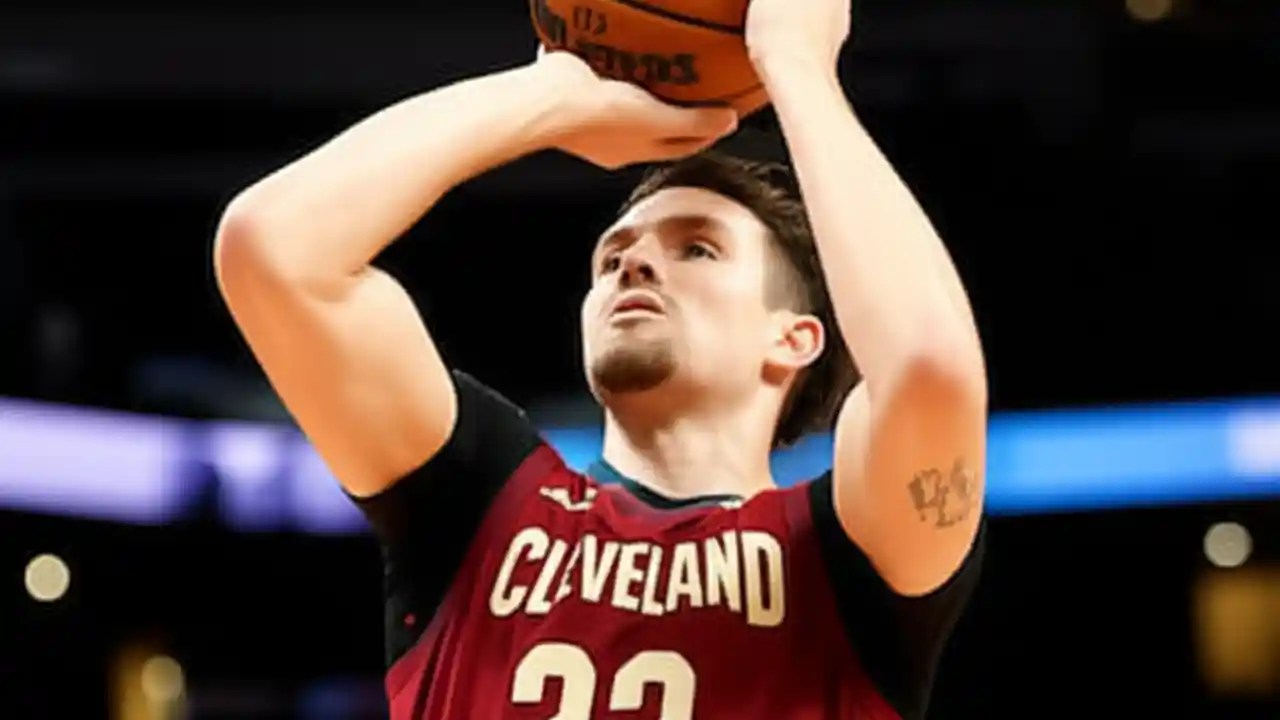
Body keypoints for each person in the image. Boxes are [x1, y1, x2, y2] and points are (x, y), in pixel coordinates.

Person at [212, 0, 988, 716]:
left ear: (793, 337)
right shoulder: (483, 505)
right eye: (612, 256)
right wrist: (556, 94)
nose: (634, 265)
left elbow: (929, 366)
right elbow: (272, 249)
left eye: (698, 249)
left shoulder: (842, 555)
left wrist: (799, 70)